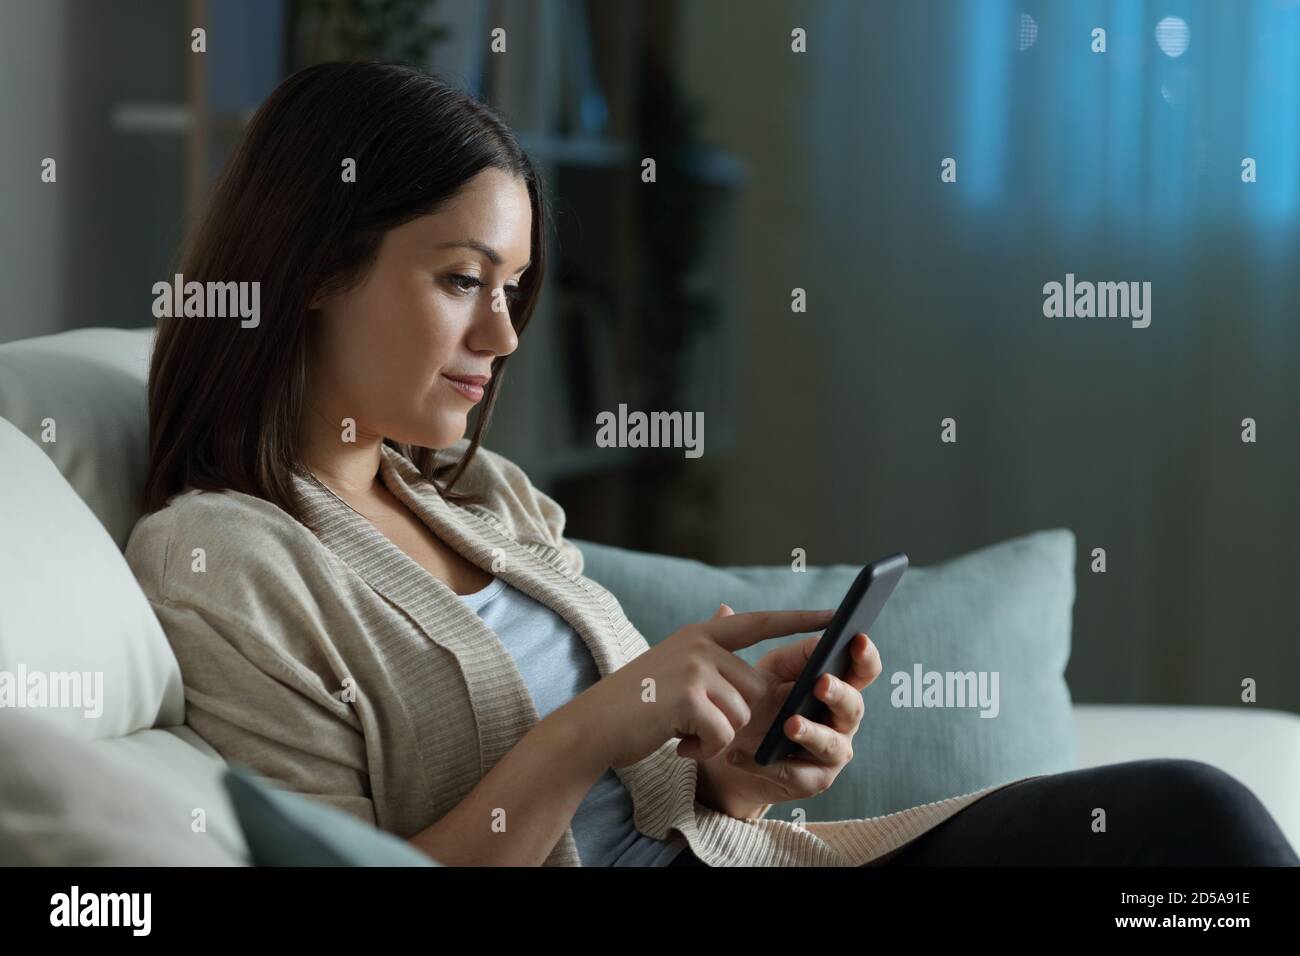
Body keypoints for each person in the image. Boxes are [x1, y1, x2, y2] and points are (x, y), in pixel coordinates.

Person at [125, 62, 1297, 868]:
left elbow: (657, 802)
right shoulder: (226, 561)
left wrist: (739, 773)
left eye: (514, 289)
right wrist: (600, 719)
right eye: (460, 279)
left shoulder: (484, 501)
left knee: (1186, 830)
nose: (505, 336)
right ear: (317, 266)